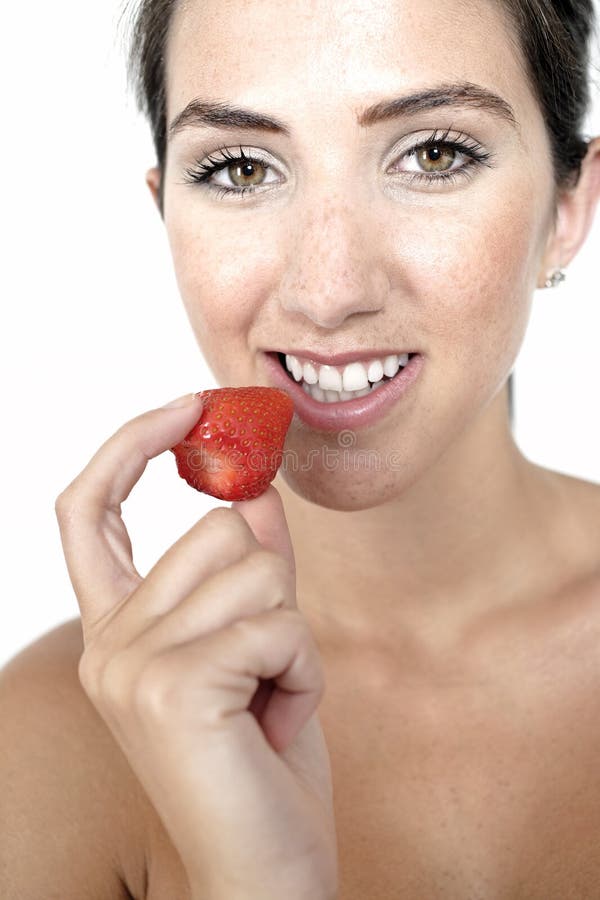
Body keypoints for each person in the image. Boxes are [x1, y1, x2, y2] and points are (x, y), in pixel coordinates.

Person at [2, 0, 600, 897]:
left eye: (435, 154)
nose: (328, 292)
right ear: (167, 215)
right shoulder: (51, 742)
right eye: (241, 167)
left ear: (567, 207)